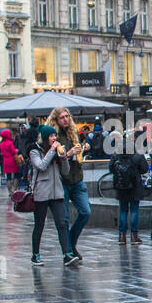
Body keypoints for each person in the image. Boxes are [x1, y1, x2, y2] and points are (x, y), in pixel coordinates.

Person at [28, 125, 79, 267]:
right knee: (39, 225)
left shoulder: (56, 151)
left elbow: (66, 171)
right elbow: (41, 166)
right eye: (51, 136)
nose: (54, 138)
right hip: (41, 193)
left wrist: (64, 157)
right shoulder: (34, 151)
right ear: (45, 138)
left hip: (57, 193)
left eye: (55, 136)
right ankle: (35, 254)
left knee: (62, 224)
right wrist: (52, 151)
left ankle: (66, 254)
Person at [47, 107, 92, 261]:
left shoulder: (73, 133)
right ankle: (67, 252)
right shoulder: (53, 136)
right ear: (56, 120)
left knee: (85, 212)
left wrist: (83, 149)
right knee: (64, 219)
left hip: (77, 179)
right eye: (62, 117)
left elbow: (76, 156)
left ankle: (71, 244)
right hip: (62, 182)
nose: (65, 119)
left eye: (67, 116)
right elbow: (52, 160)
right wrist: (68, 154)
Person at [109, 130, 149, 246]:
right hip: (134, 186)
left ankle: (121, 236)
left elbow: (111, 168)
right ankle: (134, 236)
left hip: (121, 186)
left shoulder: (116, 154)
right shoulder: (137, 154)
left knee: (123, 210)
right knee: (134, 210)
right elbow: (145, 169)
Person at [0, 128, 20, 194]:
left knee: (8, 177)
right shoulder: (10, 143)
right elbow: (14, 152)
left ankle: (9, 192)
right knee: (16, 175)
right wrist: (17, 150)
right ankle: (14, 189)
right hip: (12, 160)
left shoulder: (1, 144)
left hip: (5, 161)